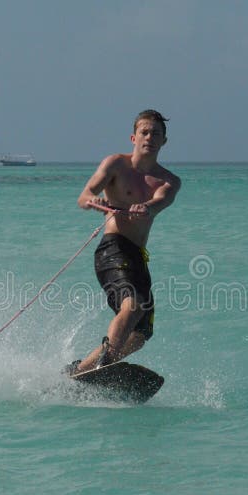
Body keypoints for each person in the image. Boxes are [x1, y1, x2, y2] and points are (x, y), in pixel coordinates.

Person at [67, 109, 181, 375]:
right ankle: (104, 366)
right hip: (113, 249)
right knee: (133, 306)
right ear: (133, 137)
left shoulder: (170, 181)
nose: (149, 137)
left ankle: (79, 372)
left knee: (141, 333)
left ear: (164, 141)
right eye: (144, 132)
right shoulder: (116, 164)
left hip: (138, 257)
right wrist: (94, 202)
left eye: (156, 133)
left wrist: (148, 207)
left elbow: (161, 200)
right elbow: (84, 196)